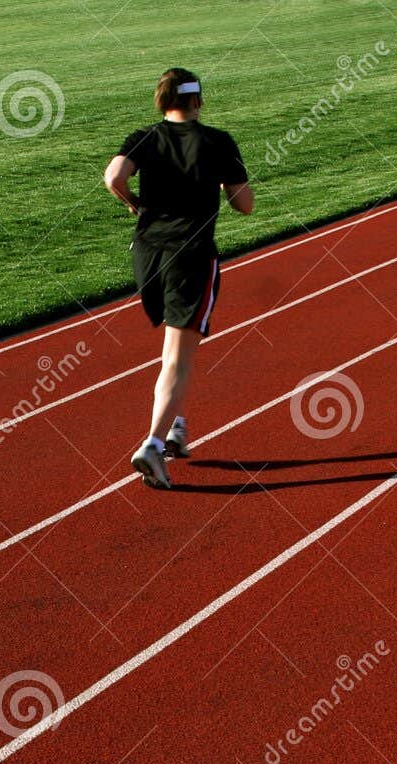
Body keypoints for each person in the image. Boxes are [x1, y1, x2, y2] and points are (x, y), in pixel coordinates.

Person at [104, 68, 255, 489]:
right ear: (198, 101)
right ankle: (152, 445)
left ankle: (174, 426)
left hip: (147, 256)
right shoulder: (217, 142)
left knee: (172, 349)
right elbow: (244, 205)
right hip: (191, 256)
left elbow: (113, 177)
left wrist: (135, 204)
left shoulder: (144, 137)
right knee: (178, 358)